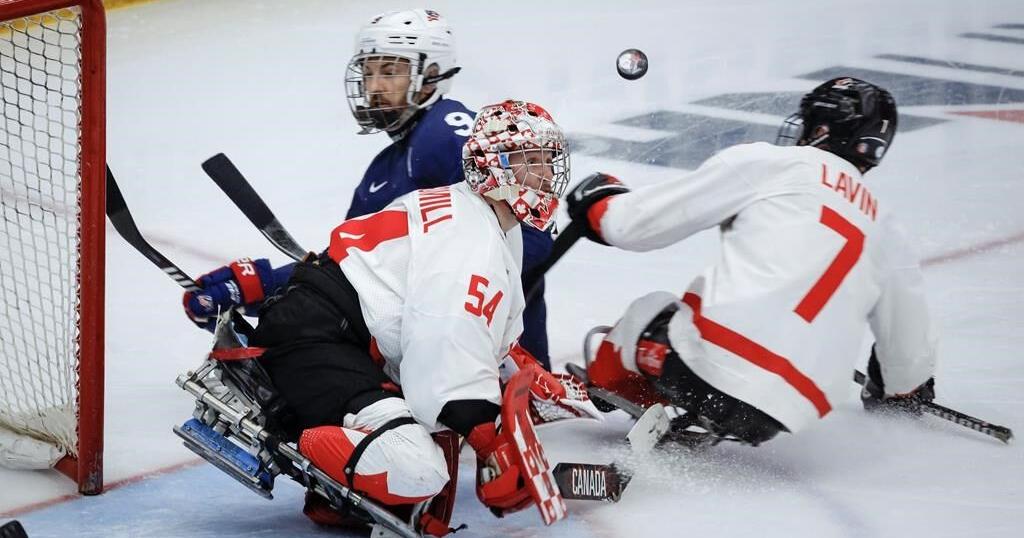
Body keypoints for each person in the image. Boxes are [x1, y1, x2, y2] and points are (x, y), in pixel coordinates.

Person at [222, 100, 583, 535]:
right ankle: (295, 438)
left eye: (547, 161)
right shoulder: (471, 239)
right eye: (531, 162)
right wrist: (488, 441)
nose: (545, 175)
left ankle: (348, 481)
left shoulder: (481, 217)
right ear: (495, 167)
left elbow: (465, 330)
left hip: (331, 328)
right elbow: (443, 349)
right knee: (417, 468)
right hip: (316, 338)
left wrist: (518, 365)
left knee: (425, 442)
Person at [566, 77, 938, 445]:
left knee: (648, 311)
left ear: (822, 127)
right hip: (788, 411)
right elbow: (909, 343)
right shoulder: (886, 225)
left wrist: (601, 203)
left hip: (699, 372)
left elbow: (634, 226)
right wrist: (901, 388)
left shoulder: (771, 163)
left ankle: (618, 399)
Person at [182, 9, 555, 368]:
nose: (374, 86)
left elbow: (533, 236)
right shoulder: (386, 168)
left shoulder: (444, 130)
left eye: (390, 71)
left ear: (432, 75)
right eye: (369, 71)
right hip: (437, 360)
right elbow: (347, 269)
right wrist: (262, 285)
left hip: (487, 372)